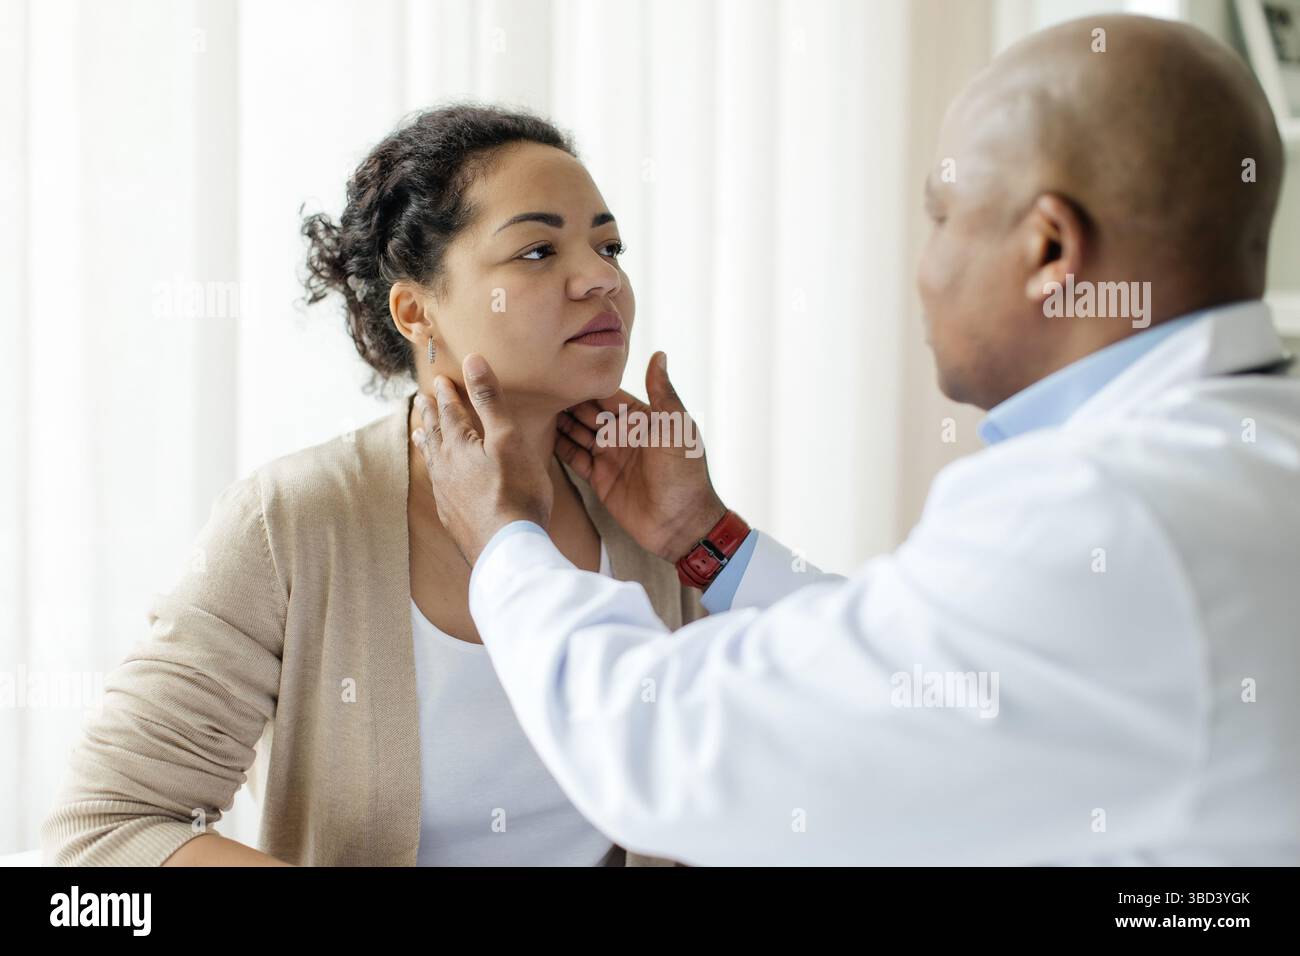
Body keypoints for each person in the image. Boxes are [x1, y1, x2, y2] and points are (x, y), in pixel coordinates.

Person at [411, 16, 1300, 865]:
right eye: (537, 253)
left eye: (943, 217)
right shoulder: (1241, 456)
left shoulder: (1104, 512)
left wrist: (504, 543)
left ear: (1049, 249)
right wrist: (706, 542)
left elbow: (676, 751)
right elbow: (927, 673)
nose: (924, 267)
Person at [42, 105, 700, 867]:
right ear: (418, 311)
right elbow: (107, 831)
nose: (601, 278)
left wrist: (705, 538)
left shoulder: (651, 510)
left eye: (609, 245)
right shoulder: (295, 520)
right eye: (537, 251)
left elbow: (785, 769)